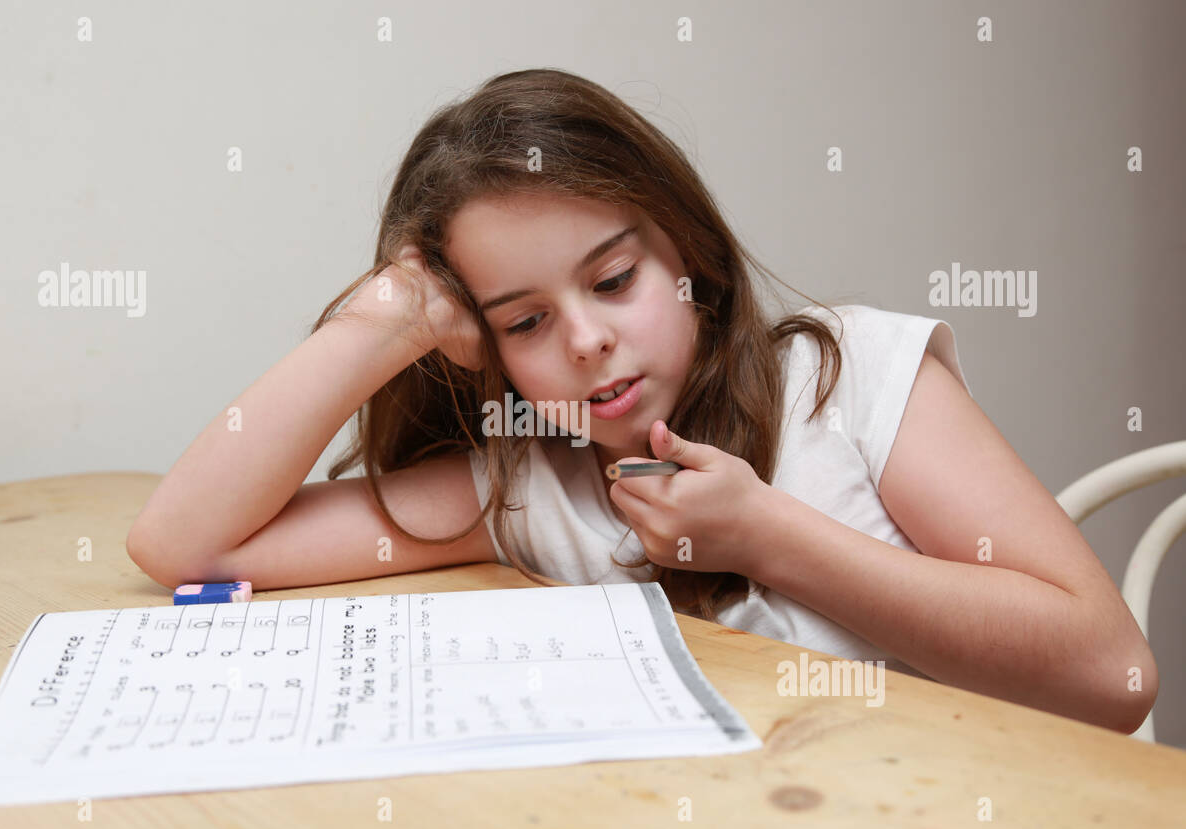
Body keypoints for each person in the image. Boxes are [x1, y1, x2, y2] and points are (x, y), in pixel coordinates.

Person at [127, 68, 1156, 734]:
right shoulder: (530, 485)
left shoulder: (846, 380)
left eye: (613, 280)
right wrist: (384, 322)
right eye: (523, 322)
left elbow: (1113, 676)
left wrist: (765, 536)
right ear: (483, 354)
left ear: (688, 255)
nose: (586, 340)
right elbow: (186, 544)